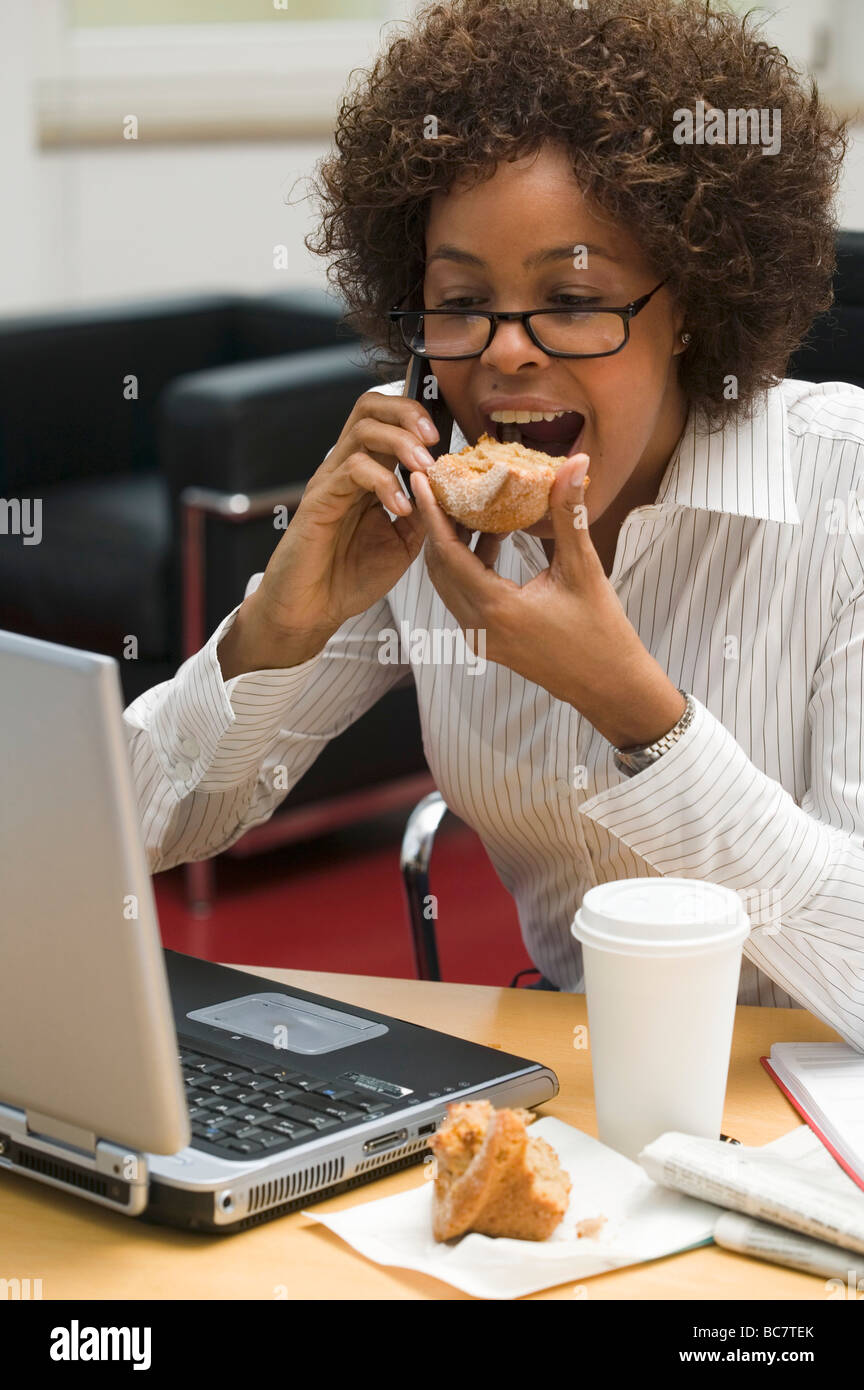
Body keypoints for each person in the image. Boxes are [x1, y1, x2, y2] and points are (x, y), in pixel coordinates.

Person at [124, 0, 864, 1047]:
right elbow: (135, 836)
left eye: (570, 297)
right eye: (460, 303)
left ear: (692, 300)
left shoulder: (846, 495)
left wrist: (638, 713)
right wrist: (277, 625)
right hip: (575, 1101)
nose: (504, 354)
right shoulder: (427, 521)